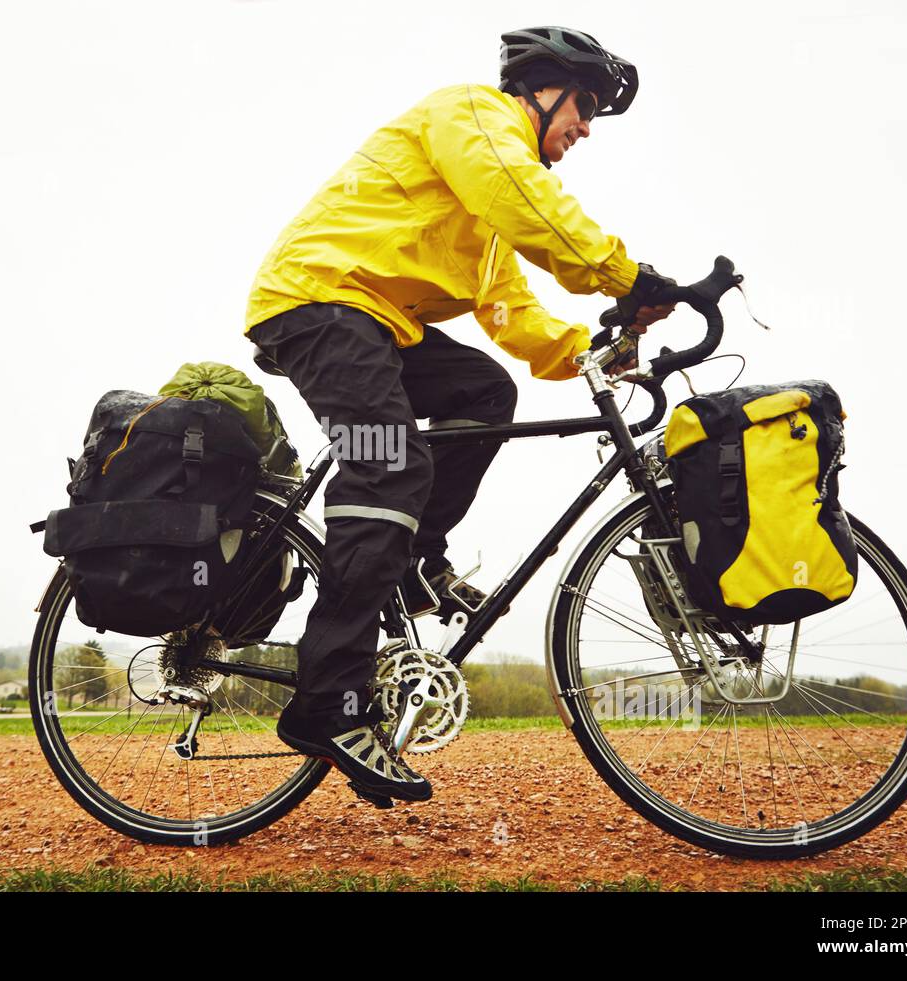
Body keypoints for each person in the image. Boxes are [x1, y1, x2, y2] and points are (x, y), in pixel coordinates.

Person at [244, 26, 676, 803]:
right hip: (319, 304)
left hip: (370, 321)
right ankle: (328, 702)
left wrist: (593, 349)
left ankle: (411, 559)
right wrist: (625, 275)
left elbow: (510, 309)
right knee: (387, 467)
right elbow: (525, 200)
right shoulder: (474, 115)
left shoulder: (485, 208)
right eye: (584, 106)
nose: (585, 128)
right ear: (539, 90)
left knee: (484, 393)